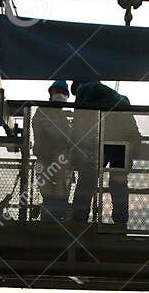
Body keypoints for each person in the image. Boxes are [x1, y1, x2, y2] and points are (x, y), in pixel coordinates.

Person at [68, 81, 141, 226]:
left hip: (105, 138)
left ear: (77, 88)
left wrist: (75, 146)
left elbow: (80, 119)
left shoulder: (85, 88)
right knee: (118, 180)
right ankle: (121, 222)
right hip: (127, 139)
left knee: (87, 177)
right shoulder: (119, 97)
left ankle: (78, 220)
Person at [31, 80, 74, 221]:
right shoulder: (44, 111)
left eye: (62, 93)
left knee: (58, 194)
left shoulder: (61, 115)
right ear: (51, 94)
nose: (60, 95)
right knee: (50, 194)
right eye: (58, 92)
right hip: (48, 159)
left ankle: (53, 223)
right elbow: (55, 134)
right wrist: (68, 140)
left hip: (56, 160)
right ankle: (50, 224)